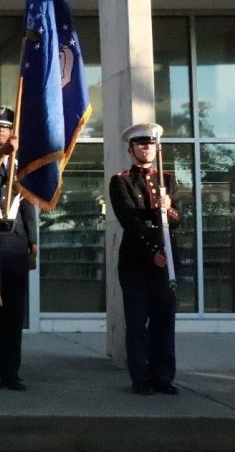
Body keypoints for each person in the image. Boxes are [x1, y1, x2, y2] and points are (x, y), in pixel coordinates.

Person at [108, 123, 181, 396]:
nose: (146, 148)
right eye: (140, 144)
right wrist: (153, 252)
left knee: (165, 319)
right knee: (137, 322)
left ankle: (163, 376)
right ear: (131, 149)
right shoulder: (122, 181)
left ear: (156, 148)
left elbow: (179, 219)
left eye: (150, 144)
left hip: (168, 265)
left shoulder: (169, 179)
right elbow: (130, 220)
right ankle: (141, 378)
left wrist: (168, 209)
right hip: (136, 264)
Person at [0, 106, 39, 391]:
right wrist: (3, 155)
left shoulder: (21, 163)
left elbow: (29, 206)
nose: (0, 131)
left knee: (14, 316)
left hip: (15, 246)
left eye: (4, 127)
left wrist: (33, 243)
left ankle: (10, 372)